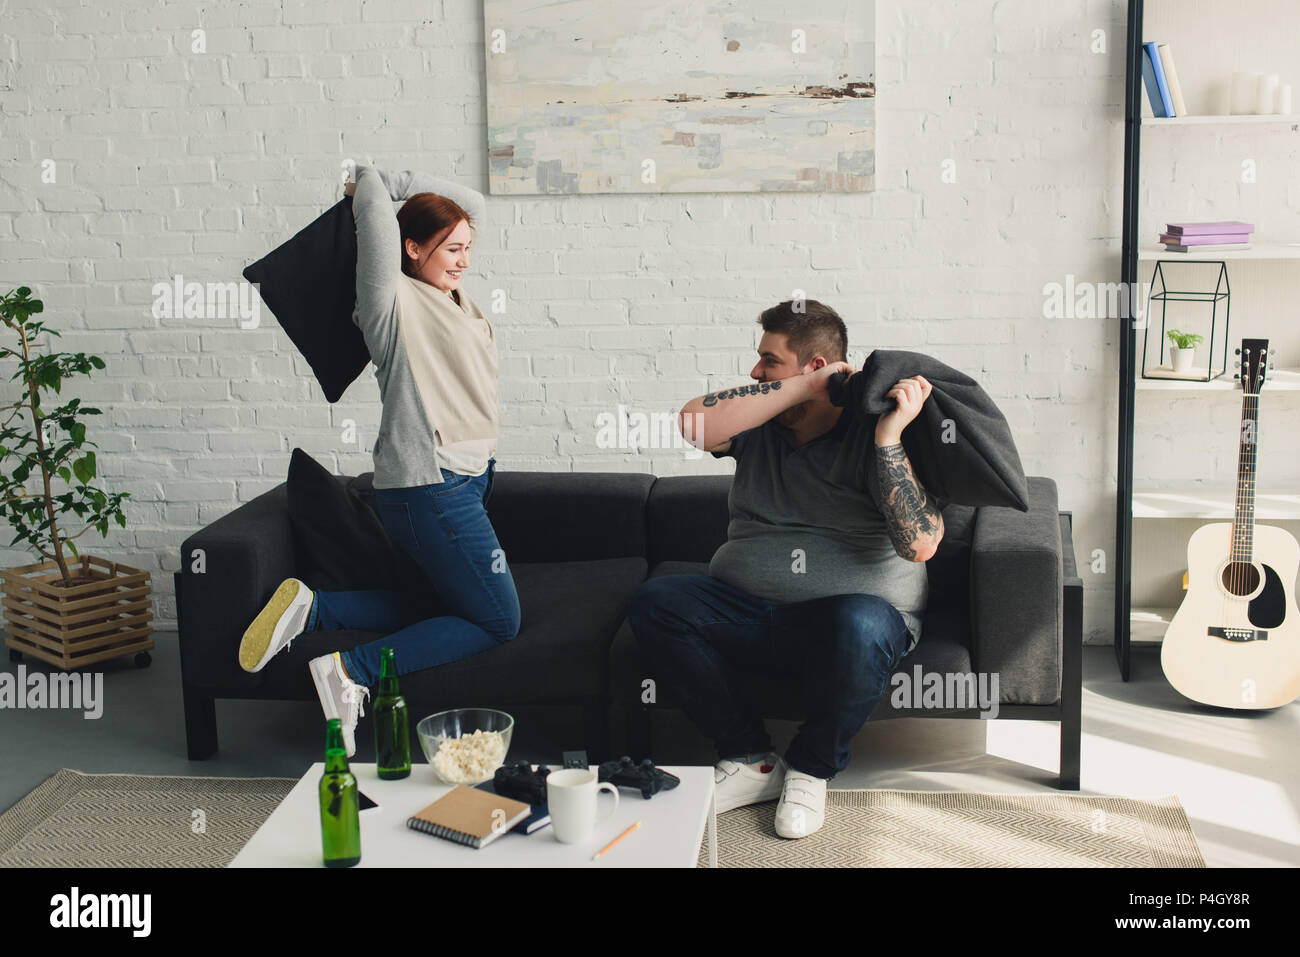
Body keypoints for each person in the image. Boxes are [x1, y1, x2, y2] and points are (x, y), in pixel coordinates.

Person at [626, 299, 944, 839]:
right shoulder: (760, 421)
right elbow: (691, 425)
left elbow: (920, 545)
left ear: (816, 364)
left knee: (863, 622)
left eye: (770, 361)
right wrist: (798, 387)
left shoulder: (877, 431)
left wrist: (888, 438)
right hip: (748, 614)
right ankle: (752, 759)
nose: (755, 373)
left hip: (847, 626)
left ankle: (811, 768)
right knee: (657, 602)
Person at [236, 165, 520, 756]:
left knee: (437, 603)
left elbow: (468, 203)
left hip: (463, 483)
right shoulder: (389, 302)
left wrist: (418, 187)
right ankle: (351, 670)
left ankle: (315, 609)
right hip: (429, 485)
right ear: (409, 248)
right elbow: (371, 203)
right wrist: (371, 179)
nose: (465, 259)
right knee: (498, 620)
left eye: (469, 248)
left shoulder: (453, 295)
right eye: (452, 249)